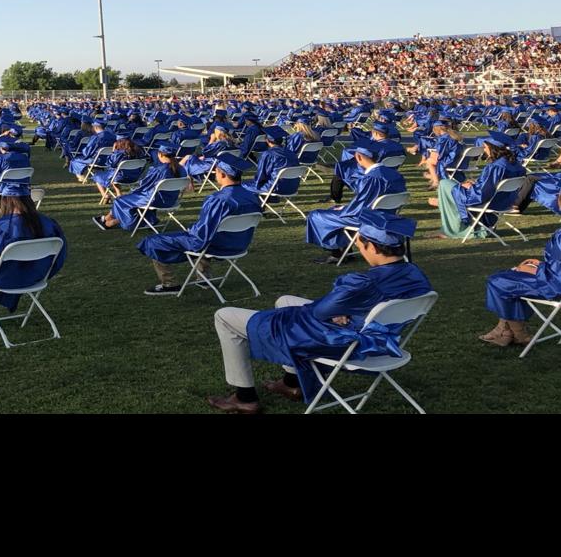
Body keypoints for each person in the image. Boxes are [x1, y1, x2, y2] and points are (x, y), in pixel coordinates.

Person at [206, 211, 433, 413]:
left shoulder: (364, 282)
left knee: (224, 316)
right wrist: (344, 311)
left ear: (371, 247)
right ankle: (292, 383)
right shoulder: (416, 275)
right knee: (285, 301)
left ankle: (244, 397)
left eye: (360, 244)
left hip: (346, 344)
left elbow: (320, 311)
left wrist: (338, 311)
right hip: (380, 340)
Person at [480, 174, 561, 347]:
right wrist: (537, 265)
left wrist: (536, 269)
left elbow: (559, 282)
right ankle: (504, 330)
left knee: (499, 281)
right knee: (516, 273)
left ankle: (518, 333)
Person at [136, 153, 262, 295]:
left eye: (216, 171)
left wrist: (190, 231)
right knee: (207, 234)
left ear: (222, 174)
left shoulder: (218, 199)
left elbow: (201, 236)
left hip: (216, 246)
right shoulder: (252, 196)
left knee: (153, 241)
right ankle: (203, 278)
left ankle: (169, 284)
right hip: (239, 244)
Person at [0, 185, 68, 319]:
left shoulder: (1, 228)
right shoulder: (49, 224)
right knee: (11, 269)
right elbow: (60, 256)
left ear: (5, 200)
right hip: (35, 277)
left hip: (5, 279)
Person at [305, 145, 406, 263]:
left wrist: (345, 209)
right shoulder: (394, 174)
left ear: (358, 157)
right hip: (389, 215)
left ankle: (337, 254)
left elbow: (360, 207)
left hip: (370, 218)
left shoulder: (372, 178)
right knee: (335, 210)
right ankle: (343, 252)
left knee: (316, 215)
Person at [435, 137, 527, 240]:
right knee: (451, 186)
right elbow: (492, 185)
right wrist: (475, 183)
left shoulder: (495, 167)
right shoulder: (516, 165)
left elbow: (483, 193)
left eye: (485, 147)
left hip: (489, 201)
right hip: (505, 201)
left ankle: (456, 229)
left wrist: (469, 187)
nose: (484, 150)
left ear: (492, 148)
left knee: (445, 185)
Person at [95, 142, 183, 232]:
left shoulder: (158, 170)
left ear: (160, 154)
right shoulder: (181, 169)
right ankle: (148, 220)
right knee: (132, 199)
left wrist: (134, 190)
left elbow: (144, 185)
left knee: (120, 200)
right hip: (171, 201)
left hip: (155, 200)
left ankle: (112, 223)